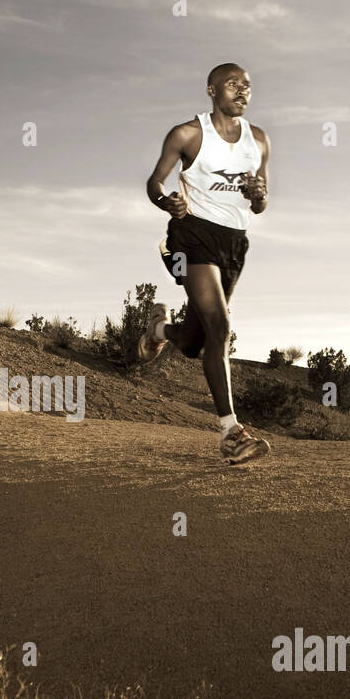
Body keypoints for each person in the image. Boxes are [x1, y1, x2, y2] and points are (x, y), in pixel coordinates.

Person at [139, 62, 272, 463]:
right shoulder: (188, 134)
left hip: (234, 242)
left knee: (198, 343)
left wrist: (258, 194)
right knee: (222, 327)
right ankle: (231, 432)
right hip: (192, 234)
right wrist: (167, 202)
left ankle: (161, 328)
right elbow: (154, 183)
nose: (242, 91)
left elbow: (261, 204)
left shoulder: (259, 141)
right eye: (233, 85)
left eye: (247, 86)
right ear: (212, 90)